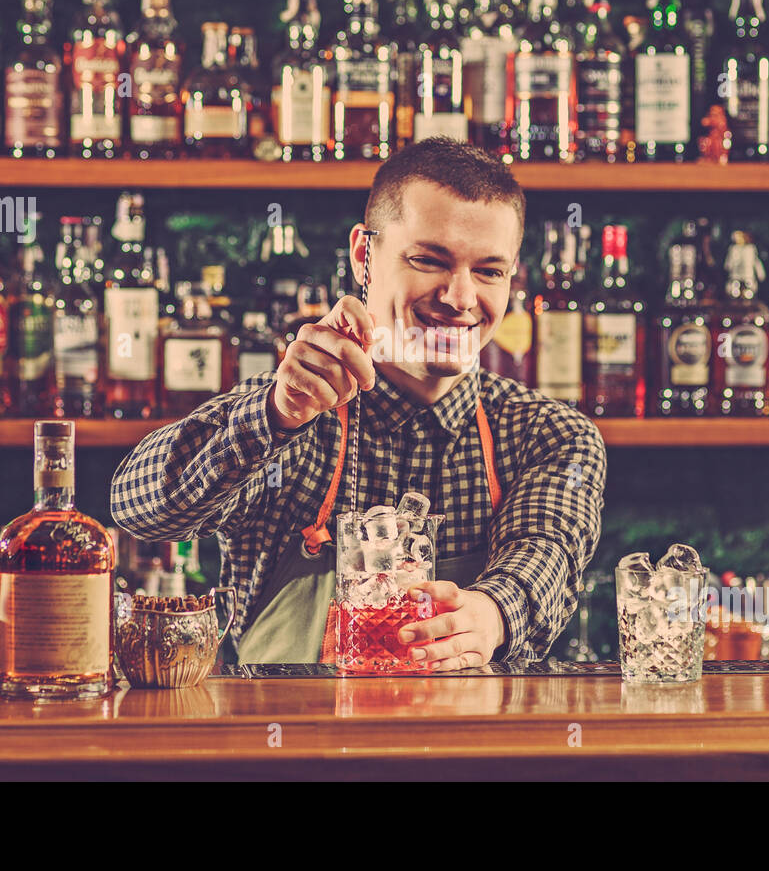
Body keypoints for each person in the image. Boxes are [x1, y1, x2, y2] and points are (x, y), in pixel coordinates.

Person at [110, 137, 606, 669]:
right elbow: (141, 508)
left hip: (468, 748)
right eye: (429, 260)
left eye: (489, 271)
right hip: (287, 742)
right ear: (364, 256)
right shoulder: (292, 412)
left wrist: (488, 615)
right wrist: (276, 415)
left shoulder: (548, 434)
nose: (461, 298)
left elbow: (546, 553)